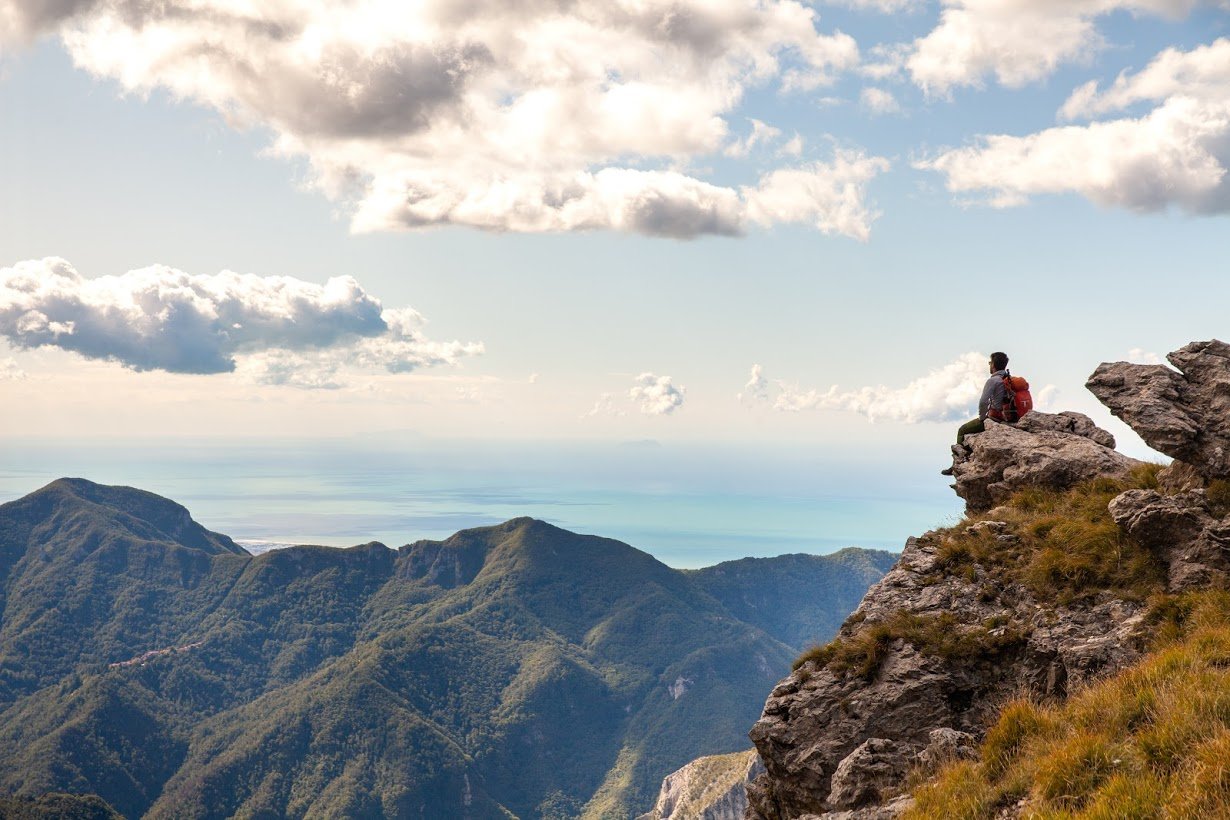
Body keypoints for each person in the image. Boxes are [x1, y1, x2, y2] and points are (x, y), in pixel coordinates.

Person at [941, 352, 1011, 476]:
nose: (989, 365)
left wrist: (983, 418)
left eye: (990, 363)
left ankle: (958, 462)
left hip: (995, 418)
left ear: (993, 365)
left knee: (963, 430)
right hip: (1009, 417)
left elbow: (984, 401)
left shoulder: (993, 380)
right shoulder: (1008, 378)